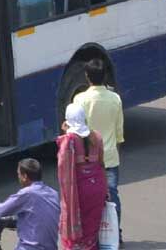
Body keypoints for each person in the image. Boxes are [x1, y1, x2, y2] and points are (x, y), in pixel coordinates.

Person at [74, 59, 125, 244]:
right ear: (105, 76)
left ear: (87, 76)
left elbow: (78, 132)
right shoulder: (115, 99)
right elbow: (119, 132)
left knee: (89, 199)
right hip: (110, 157)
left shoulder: (80, 100)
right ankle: (115, 236)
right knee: (112, 198)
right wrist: (114, 152)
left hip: (88, 160)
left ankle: (93, 237)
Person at [0, 158, 60, 250]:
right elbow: (35, 217)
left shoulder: (28, 193)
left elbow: (3, 209)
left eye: (19, 174)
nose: (18, 177)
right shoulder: (53, 193)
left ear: (25, 176)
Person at [58, 103, 107, 250]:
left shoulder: (69, 141)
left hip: (79, 191)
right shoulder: (96, 136)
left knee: (76, 230)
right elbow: (101, 163)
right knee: (91, 228)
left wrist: (66, 133)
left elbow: (63, 169)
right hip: (97, 187)